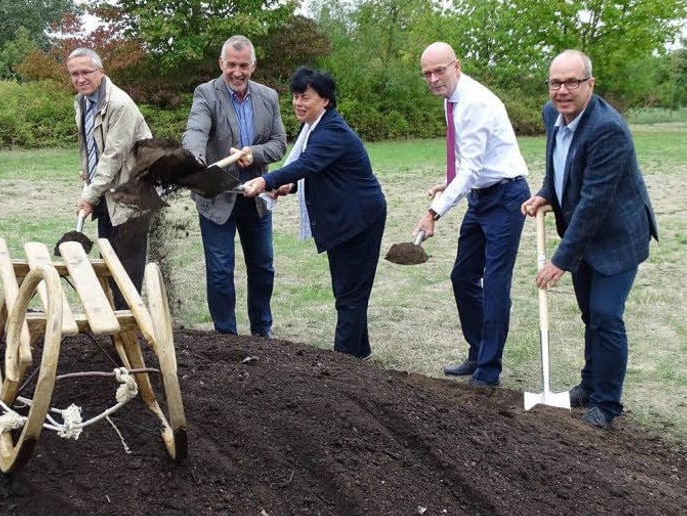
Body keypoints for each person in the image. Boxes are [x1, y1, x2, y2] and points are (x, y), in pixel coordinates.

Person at [520, 49, 658, 429]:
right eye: (555, 82)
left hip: (616, 237)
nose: (562, 90)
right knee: (589, 314)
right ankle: (589, 384)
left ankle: (608, 404)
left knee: (606, 316)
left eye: (572, 82)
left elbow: (594, 202)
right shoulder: (552, 114)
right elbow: (558, 167)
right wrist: (545, 192)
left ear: (590, 85)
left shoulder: (607, 129)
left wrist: (560, 260)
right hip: (582, 234)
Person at [243, 67, 386, 359]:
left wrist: (267, 180)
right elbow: (322, 172)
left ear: (326, 100)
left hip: (359, 220)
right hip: (347, 218)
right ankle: (359, 353)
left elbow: (308, 164)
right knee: (349, 292)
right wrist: (290, 187)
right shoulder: (314, 128)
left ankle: (343, 362)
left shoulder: (331, 131)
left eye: (305, 97)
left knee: (349, 295)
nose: (298, 103)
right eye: (295, 97)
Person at [413, 41, 530, 387]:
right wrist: (446, 184)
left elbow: (472, 167)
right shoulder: (452, 100)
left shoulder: (475, 103)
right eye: (427, 74)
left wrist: (434, 212)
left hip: (507, 198)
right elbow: (467, 163)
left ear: (456, 66)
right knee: (463, 276)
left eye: (439, 70)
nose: (434, 78)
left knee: (494, 284)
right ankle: (478, 351)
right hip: (481, 197)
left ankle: (488, 371)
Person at [182, 35, 287, 338]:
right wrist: (195, 161)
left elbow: (279, 144)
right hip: (217, 199)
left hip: (256, 197)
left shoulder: (268, 97)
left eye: (243, 66)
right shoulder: (206, 94)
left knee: (263, 269)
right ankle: (226, 338)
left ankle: (262, 333)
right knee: (219, 273)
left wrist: (254, 153)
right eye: (231, 65)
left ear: (253, 66)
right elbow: (196, 130)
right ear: (221, 64)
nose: (237, 72)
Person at [67, 47, 153, 307]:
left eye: (86, 72)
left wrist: (89, 195)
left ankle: (131, 328)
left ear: (101, 72)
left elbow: (114, 155)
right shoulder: (82, 102)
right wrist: (89, 174)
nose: (80, 79)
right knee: (109, 260)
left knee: (127, 270)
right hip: (107, 193)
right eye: (74, 74)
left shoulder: (119, 104)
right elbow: (89, 144)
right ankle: (114, 324)